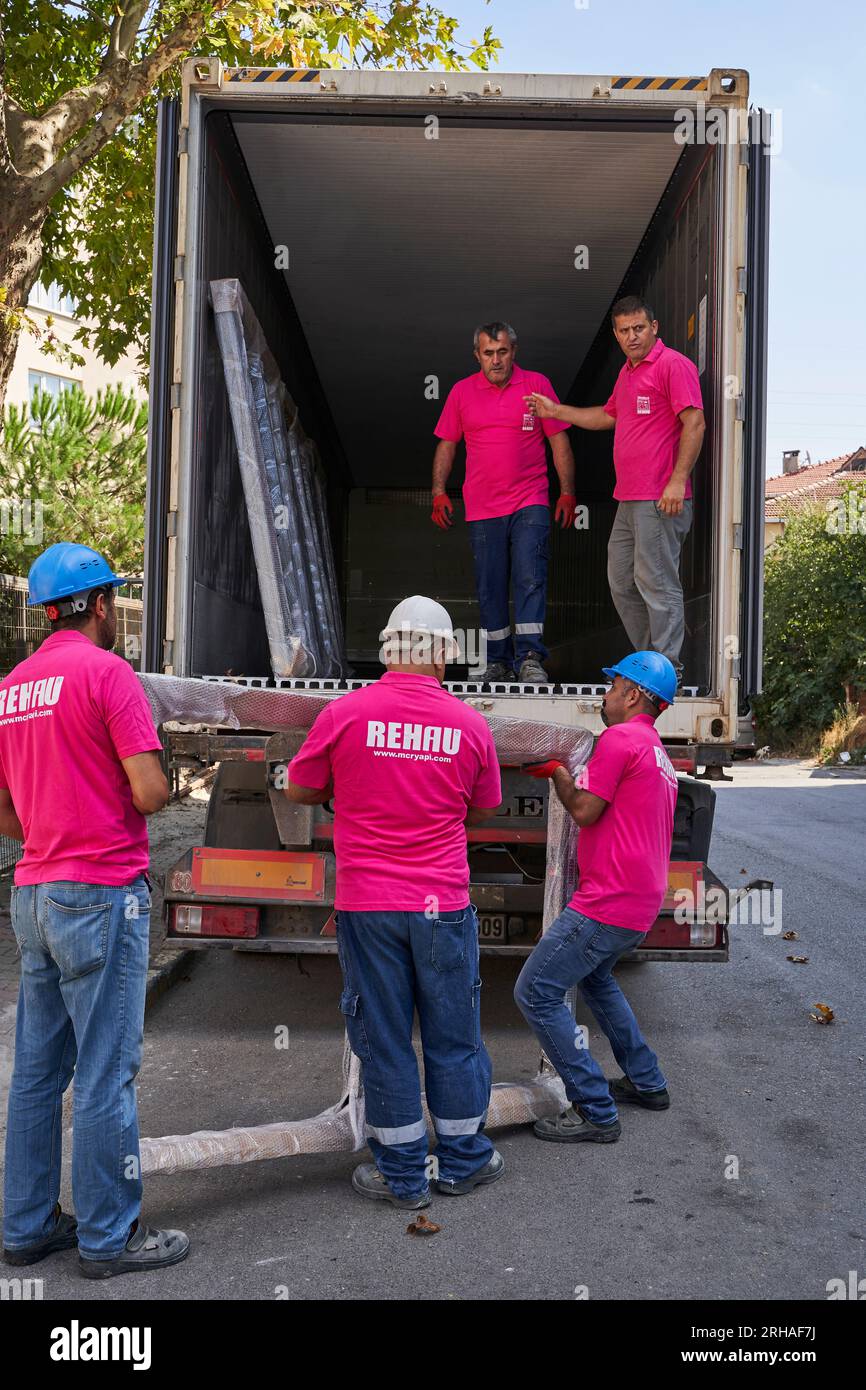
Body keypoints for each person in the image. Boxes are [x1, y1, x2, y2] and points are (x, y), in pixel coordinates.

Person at [0, 543, 188, 1278]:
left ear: (49, 611)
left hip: (34, 891)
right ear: (102, 605)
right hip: (102, 893)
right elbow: (148, 793)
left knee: (38, 1073)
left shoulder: (12, 686)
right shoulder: (109, 675)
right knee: (107, 1072)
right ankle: (110, 1238)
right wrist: (159, 769)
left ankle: (26, 1224)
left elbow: (8, 815)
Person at [284, 595, 503, 1208]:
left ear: (388, 649)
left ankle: (404, 1178)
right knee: (453, 1035)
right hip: (443, 907)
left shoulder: (346, 714)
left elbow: (302, 786)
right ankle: (462, 1162)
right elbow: (483, 806)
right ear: (442, 654)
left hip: (369, 905)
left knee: (383, 1037)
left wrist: (345, 789)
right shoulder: (469, 724)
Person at [513, 651, 678, 1142]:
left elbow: (585, 810)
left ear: (633, 695)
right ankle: (648, 1083)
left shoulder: (620, 739)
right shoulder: (656, 752)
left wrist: (558, 774)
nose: (603, 696)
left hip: (607, 902)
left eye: (611, 687)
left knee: (535, 991)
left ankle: (594, 1108)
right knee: (598, 979)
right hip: (639, 902)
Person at [526, 297, 705, 681]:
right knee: (622, 580)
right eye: (624, 331)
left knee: (655, 579)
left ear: (653, 328)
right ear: (616, 335)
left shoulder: (673, 365)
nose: (631, 336)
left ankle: (667, 666)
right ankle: (649, 661)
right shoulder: (626, 374)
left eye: (638, 328)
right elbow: (607, 415)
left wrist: (677, 480)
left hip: (659, 496)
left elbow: (695, 424)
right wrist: (557, 411)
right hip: (628, 498)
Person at [431, 322, 576, 684]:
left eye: (503, 352)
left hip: (531, 501)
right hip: (483, 509)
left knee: (530, 577)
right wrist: (437, 491)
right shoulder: (462, 393)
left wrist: (567, 491)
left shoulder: (536, 386)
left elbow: (559, 441)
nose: (496, 360)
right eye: (488, 353)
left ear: (514, 351)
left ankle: (529, 657)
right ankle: (497, 660)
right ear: (477, 355)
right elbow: (447, 444)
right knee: (490, 584)